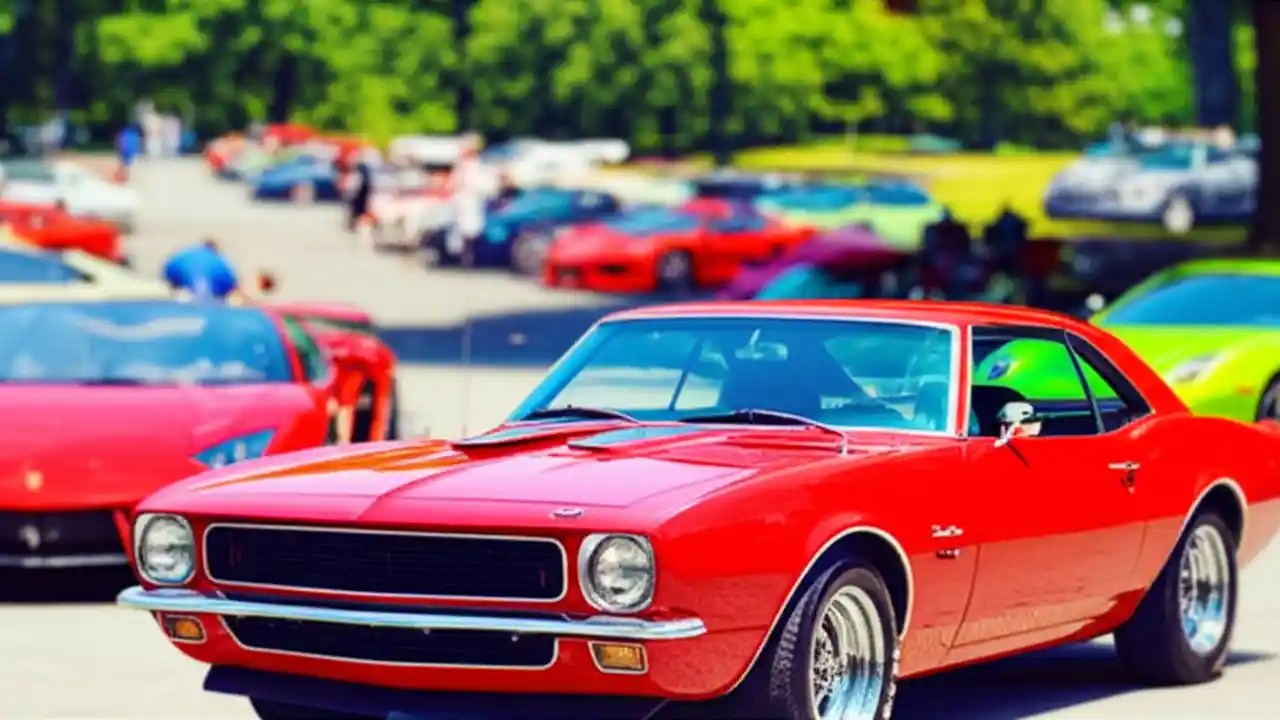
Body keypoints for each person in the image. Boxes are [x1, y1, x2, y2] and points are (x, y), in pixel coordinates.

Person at [446, 133, 489, 263]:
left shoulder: (477, 165)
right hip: (462, 200)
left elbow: (480, 184)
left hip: (471, 200)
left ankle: (468, 255)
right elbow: (454, 183)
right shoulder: (461, 165)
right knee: (460, 228)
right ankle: (461, 255)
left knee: (470, 229)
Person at [162, 239, 239, 300]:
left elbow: (168, 272)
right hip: (207, 298)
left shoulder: (183, 255)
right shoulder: (221, 263)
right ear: (215, 251)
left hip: (185, 292)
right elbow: (233, 288)